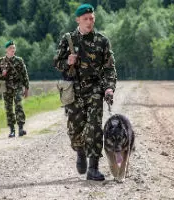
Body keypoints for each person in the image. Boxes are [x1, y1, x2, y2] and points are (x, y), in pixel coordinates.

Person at [54, 4, 117, 181]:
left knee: (94, 127)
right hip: (73, 90)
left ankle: (93, 168)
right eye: (86, 19)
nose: (89, 22)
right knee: (75, 130)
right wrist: (67, 61)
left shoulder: (102, 41)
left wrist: (109, 87)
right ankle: (80, 151)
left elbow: (109, 69)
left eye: (92, 18)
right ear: (78, 20)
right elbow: (56, 63)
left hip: (95, 89)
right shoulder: (68, 40)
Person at [0, 40, 30, 138]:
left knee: (18, 105)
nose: (13, 50)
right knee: (8, 108)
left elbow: (24, 74)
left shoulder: (19, 60)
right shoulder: (1, 61)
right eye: (10, 48)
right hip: (6, 87)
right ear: (6, 50)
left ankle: (21, 128)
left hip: (17, 86)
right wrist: (2, 74)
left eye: (14, 48)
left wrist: (26, 88)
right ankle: (12, 130)